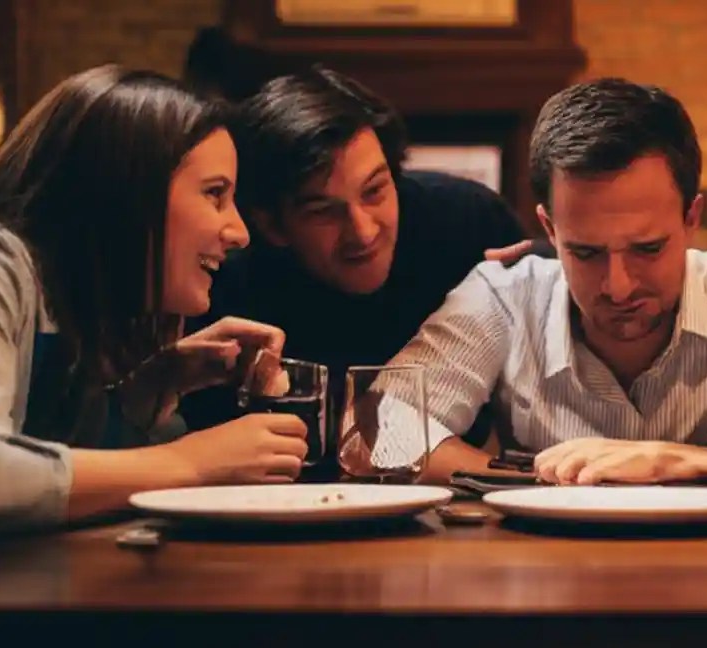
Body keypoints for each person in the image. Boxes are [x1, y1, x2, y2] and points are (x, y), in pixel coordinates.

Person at [373, 78, 707, 488]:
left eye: (648, 249)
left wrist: (689, 462)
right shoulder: (504, 297)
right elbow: (378, 431)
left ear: (691, 218)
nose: (618, 287)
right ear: (550, 230)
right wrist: (557, 475)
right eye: (586, 253)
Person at [0, 66, 308, 535]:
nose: (239, 233)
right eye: (214, 194)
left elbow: (45, 480)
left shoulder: (74, 299)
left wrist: (144, 395)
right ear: (130, 189)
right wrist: (189, 461)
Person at [182, 67, 529, 456]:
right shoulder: (223, 283)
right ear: (271, 225)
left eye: (375, 190)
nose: (362, 231)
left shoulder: (470, 223)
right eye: (323, 211)